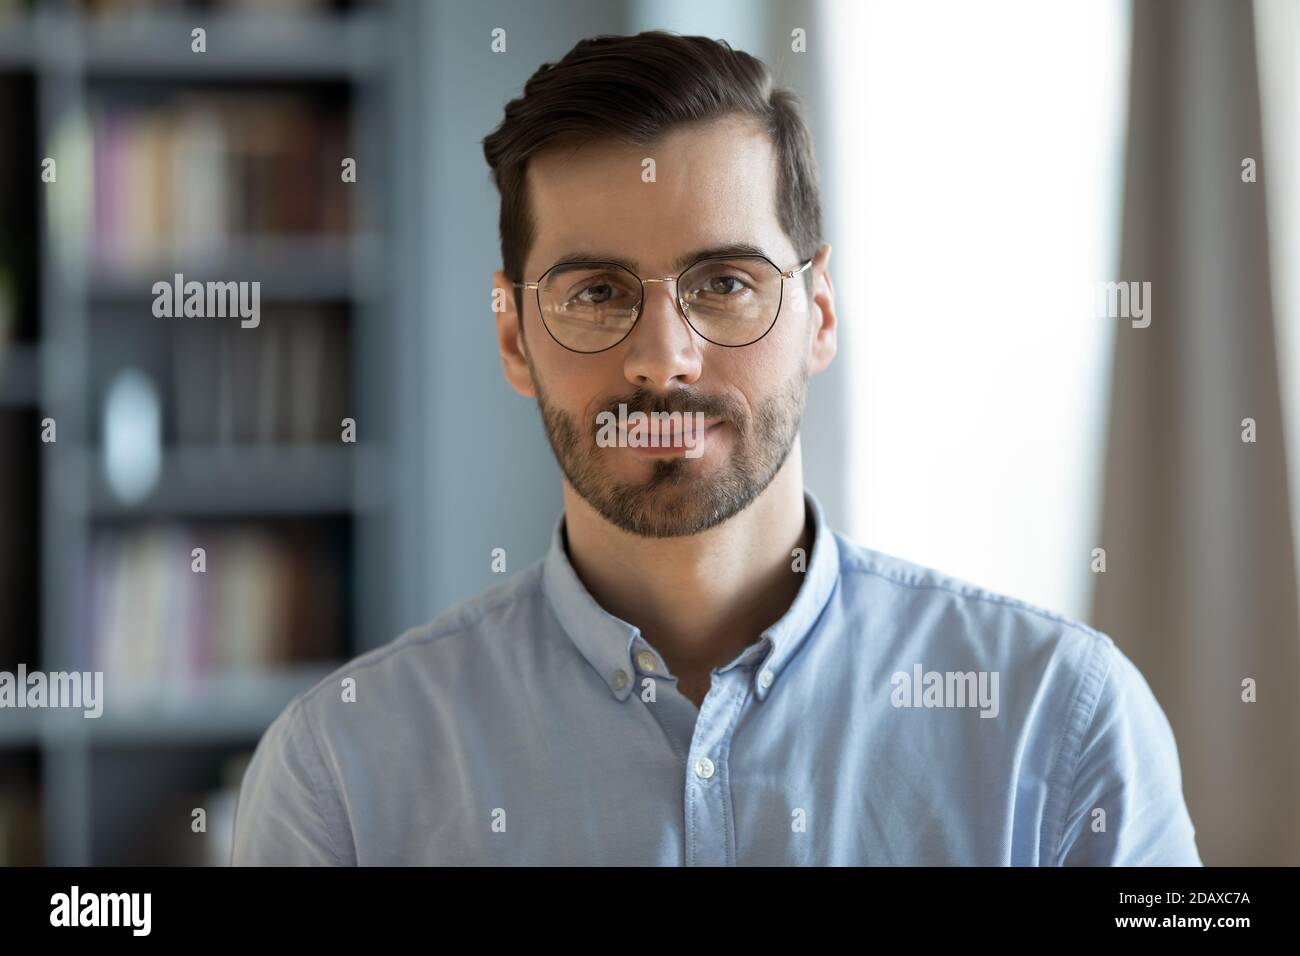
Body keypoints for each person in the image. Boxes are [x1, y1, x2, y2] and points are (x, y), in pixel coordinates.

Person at [232, 30, 1201, 866]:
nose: (662, 359)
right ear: (513, 338)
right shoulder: (341, 774)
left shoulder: (1061, 721)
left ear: (818, 311)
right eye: (596, 293)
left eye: (724, 282)